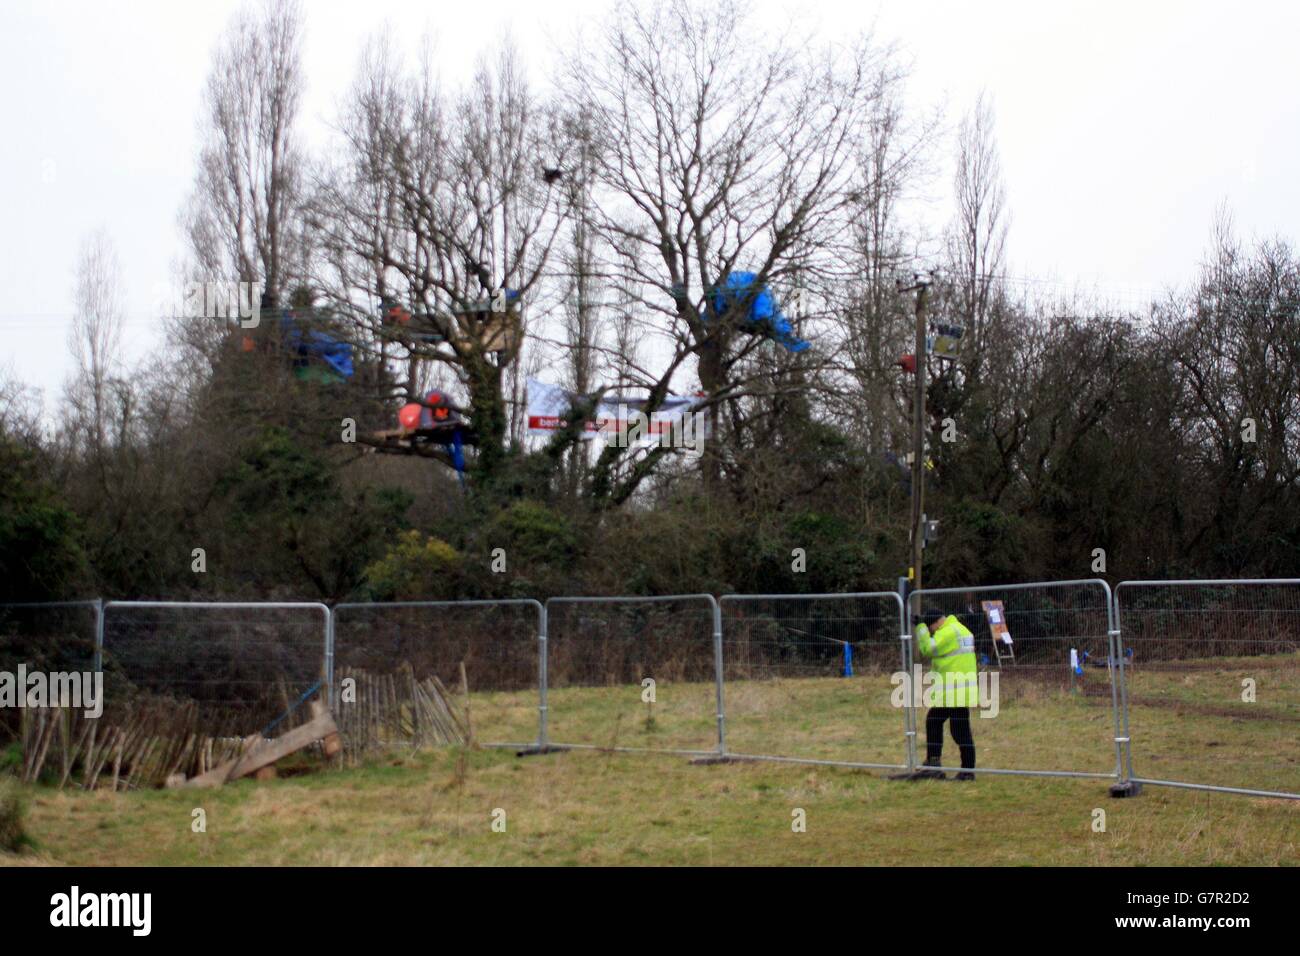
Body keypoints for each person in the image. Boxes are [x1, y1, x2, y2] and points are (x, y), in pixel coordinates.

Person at [913, 612, 978, 780]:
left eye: (931, 630)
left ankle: (945, 767)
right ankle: (963, 770)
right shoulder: (961, 629)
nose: (932, 633)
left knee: (951, 728)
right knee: (951, 727)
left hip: (953, 691)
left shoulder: (948, 632)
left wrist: (920, 628)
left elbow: (928, 648)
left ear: (934, 624)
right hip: (961, 690)